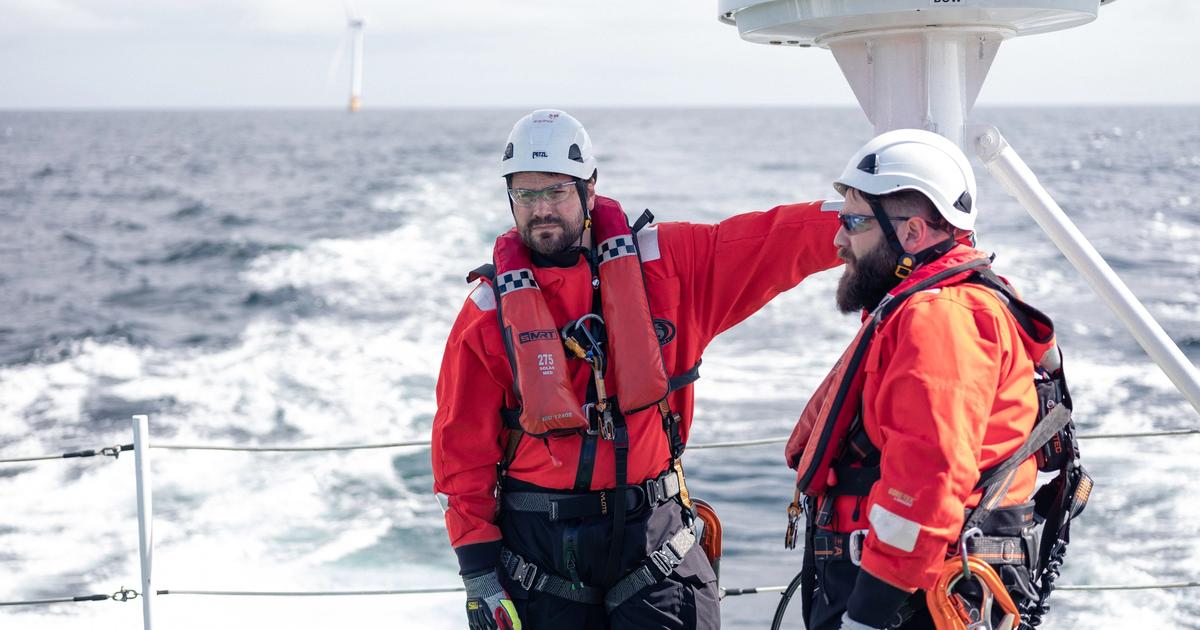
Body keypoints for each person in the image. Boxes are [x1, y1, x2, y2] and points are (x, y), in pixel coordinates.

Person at [432, 109, 842, 630]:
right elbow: (460, 453)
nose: (541, 210)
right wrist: (479, 578)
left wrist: (868, 219)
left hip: (654, 539)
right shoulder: (487, 314)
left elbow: (773, 241)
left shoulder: (669, 267)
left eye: (556, 190)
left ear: (590, 189)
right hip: (540, 553)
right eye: (525, 195)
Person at [784, 129, 1065, 629]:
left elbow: (926, 480)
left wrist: (868, 615)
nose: (838, 240)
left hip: (909, 600)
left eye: (853, 222)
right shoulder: (939, 308)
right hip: (905, 588)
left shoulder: (941, 318)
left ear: (912, 233)